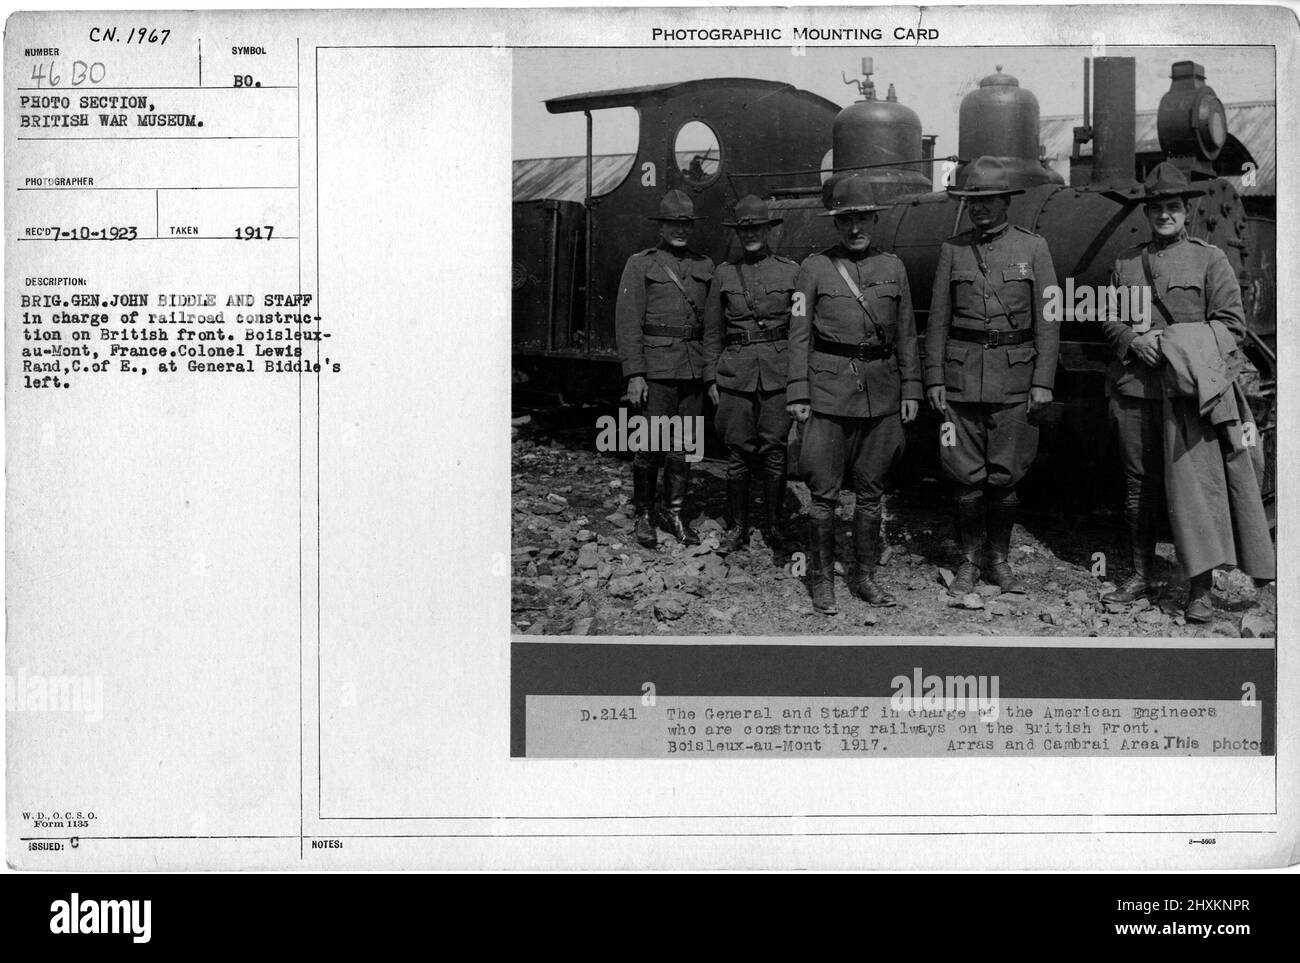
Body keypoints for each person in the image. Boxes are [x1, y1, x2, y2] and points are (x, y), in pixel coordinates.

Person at [1098, 160, 1274, 622]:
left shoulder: (1209, 259)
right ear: (1147, 212)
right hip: (1135, 390)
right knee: (1139, 487)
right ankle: (1139, 575)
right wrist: (1134, 340)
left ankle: (1199, 588)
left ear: (1186, 211)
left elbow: (1231, 327)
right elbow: (1109, 320)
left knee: (1198, 490)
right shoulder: (1126, 263)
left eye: (1172, 207)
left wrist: (1172, 344)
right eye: (1157, 208)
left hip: (1192, 395)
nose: (1164, 215)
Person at [925, 155, 1059, 598]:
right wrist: (934, 379)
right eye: (972, 201)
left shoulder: (1034, 248)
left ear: (1006, 201)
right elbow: (938, 321)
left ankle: (997, 560)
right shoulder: (952, 249)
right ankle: (967, 561)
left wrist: (1043, 380)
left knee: (1005, 477)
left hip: (1016, 379)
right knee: (963, 476)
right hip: (961, 378)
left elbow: (1048, 320)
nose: (979, 208)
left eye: (987, 200)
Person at [786, 175, 921, 614]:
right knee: (823, 493)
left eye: (862, 218)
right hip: (827, 392)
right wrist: (799, 393)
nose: (855, 228)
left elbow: (906, 334)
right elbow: (798, 335)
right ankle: (822, 580)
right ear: (836, 224)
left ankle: (863, 576)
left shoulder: (893, 267)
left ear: (874, 220)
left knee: (870, 490)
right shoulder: (814, 268)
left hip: (881, 394)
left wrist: (911, 388)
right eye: (846, 220)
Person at [615, 189, 714, 548]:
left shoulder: (705, 266)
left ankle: (673, 513)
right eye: (673, 223)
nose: (680, 230)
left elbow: (712, 324)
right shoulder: (641, 264)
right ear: (661, 226)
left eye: (686, 224)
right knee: (651, 445)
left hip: (692, 369)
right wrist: (634, 374)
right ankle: (643, 515)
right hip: (655, 370)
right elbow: (628, 323)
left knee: (683, 445)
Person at [703, 194, 798, 557]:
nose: (751, 236)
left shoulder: (791, 271)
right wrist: (712, 378)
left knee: (775, 451)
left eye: (757, 228)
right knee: (738, 453)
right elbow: (712, 333)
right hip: (736, 374)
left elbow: (800, 329)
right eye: (745, 230)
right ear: (738, 234)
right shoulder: (725, 274)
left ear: (769, 230)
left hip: (778, 373)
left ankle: (774, 527)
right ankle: (739, 526)